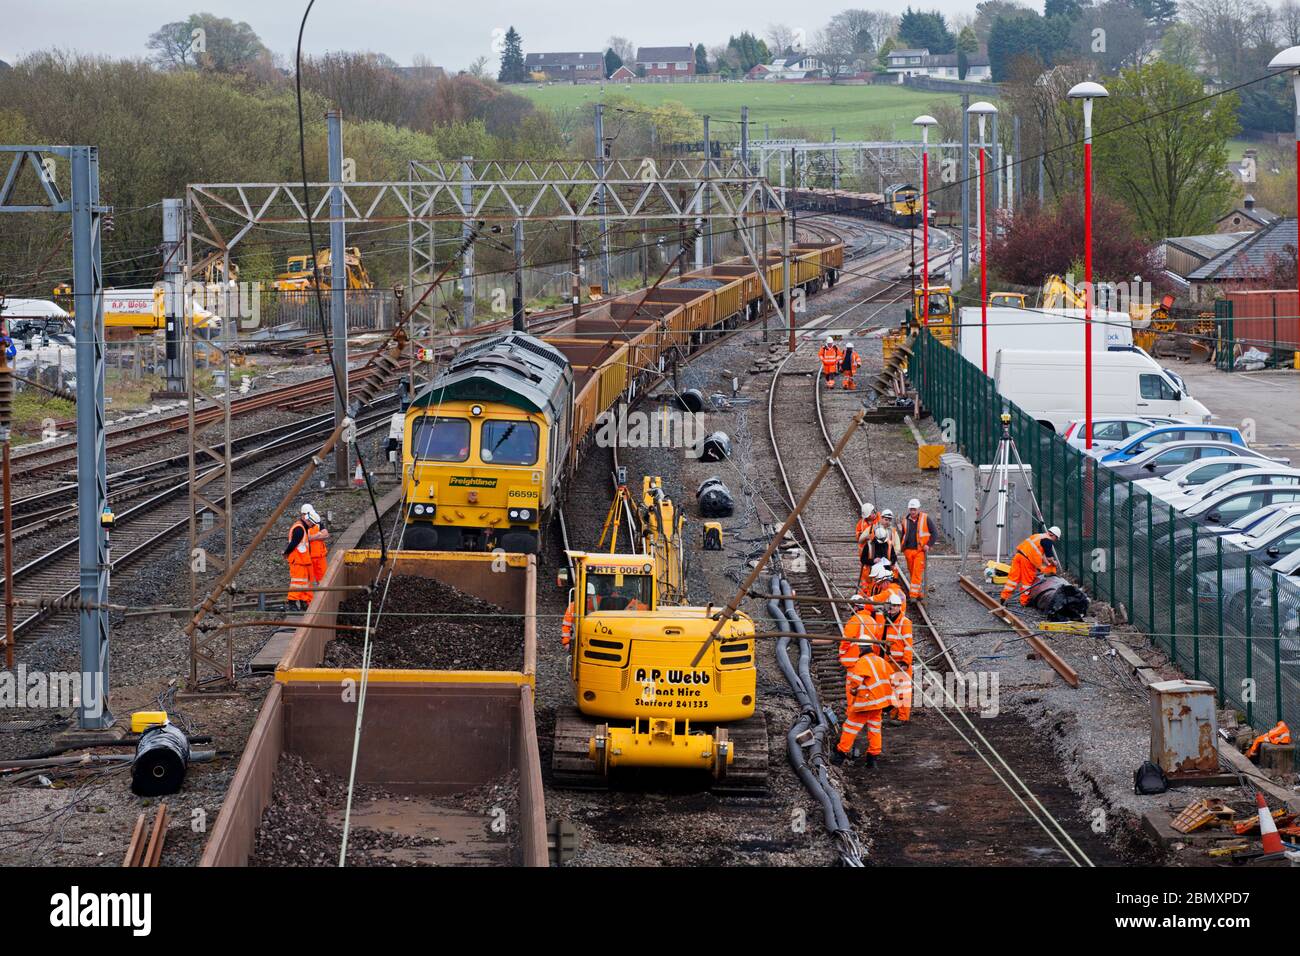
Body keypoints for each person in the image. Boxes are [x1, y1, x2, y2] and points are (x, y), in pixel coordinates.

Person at [832, 642, 898, 768]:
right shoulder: (881, 661)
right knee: (874, 729)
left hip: (865, 704)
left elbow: (855, 682)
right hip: (879, 704)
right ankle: (872, 760)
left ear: (860, 649)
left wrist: (853, 690)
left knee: (850, 727)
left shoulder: (862, 662)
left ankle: (840, 755)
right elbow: (893, 679)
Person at [284, 504, 329, 612]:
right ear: (307, 519)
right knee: (297, 582)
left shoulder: (302, 527)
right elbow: (294, 543)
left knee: (304, 582)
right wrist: (286, 553)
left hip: (303, 560)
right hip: (298, 560)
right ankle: (292, 603)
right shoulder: (300, 528)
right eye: (311, 524)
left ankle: (304, 602)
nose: (311, 526)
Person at [1000, 526, 1061, 606]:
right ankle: (1024, 601)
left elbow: (1041, 554)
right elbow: (1049, 557)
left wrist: (1048, 562)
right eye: (1056, 539)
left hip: (1019, 556)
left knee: (1013, 579)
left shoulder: (1038, 536)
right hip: (1027, 561)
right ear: (1054, 536)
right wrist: (1054, 563)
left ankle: (1004, 597)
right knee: (1027, 582)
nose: (1055, 541)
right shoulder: (1048, 541)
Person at [879, 593, 914, 722]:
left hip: (901, 662)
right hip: (890, 662)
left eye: (895, 606)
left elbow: (908, 645)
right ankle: (894, 714)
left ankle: (903, 717)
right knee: (893, 689)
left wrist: (906, 661)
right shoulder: (888, 621)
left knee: (903, 690)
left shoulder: (904, 622)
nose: (892, 608)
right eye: (891, 606)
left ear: (899, 607)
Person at [900, 498, 933, 601]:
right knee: (912, 572)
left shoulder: (925, 518)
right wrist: (902, 548)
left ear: (918, 509)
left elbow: (934, 533)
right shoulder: (905, 520)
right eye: (911, 509)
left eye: (914, 509)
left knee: (917, 572)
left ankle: (913, 595)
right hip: (908, 551)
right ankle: (917, 593)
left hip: (920, 551)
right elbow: (903, 535)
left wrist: (928, 544)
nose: (912, 512)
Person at [838, 595, 882, 669]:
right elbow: (877, 643)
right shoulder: (873, 621)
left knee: (854, 680)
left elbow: (847, 639)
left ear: (855, 607)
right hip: (869, 659)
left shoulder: (855, 620)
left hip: (854, 658)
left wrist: (842, 652)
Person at [859, 525, 899, 591]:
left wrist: (891, 562)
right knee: (873, 591)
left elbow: (894, 557)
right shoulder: (869, 545)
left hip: (887, 572)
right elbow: (863, 559)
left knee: (887, 590)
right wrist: (873, 561)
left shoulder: (889, 544)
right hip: (874, 573)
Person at [562, 583, 598, 647]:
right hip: (577, 638)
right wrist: (566, 642)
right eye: (586, 596)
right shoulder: (573, 606)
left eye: (590, 596)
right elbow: (566, 625)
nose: (588, 599)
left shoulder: (596, 605)